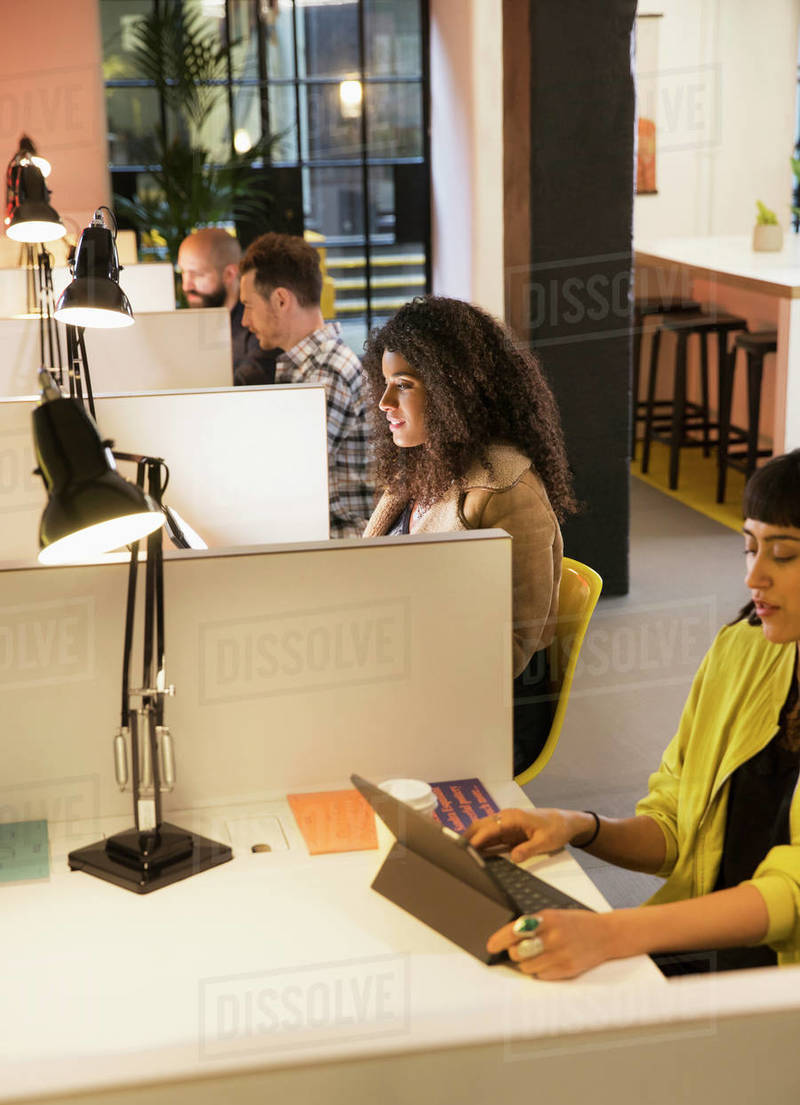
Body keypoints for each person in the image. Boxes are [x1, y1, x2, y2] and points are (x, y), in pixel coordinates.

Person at [467, 449, 800, 979]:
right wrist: (576, 826)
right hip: (703, 943)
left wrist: (610, 934)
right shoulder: (745, 648)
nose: (753, 577)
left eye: (782, 554)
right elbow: (676, 827)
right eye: (749, 548)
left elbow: (792, 896)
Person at [360, 296, 577, 774]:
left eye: (403, 386)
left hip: (484, 717)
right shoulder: (423, 466)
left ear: (449, 390)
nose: (384, 403)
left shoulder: (506, 490)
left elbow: (509, 652)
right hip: (411, 685)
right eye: (385, 384)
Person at [238, 232, 373, 539]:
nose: (245, 321)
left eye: (248, 305)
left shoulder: (327, 371)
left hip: (338, 546)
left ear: (281, 300)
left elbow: (287, 476)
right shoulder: (307, 365)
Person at [177, 228, 279, 386]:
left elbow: (241, 387)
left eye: (197, 274)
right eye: (183, 272)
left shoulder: (256, 327)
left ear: (230, 274)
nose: (186, 286)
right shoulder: (186, 326)